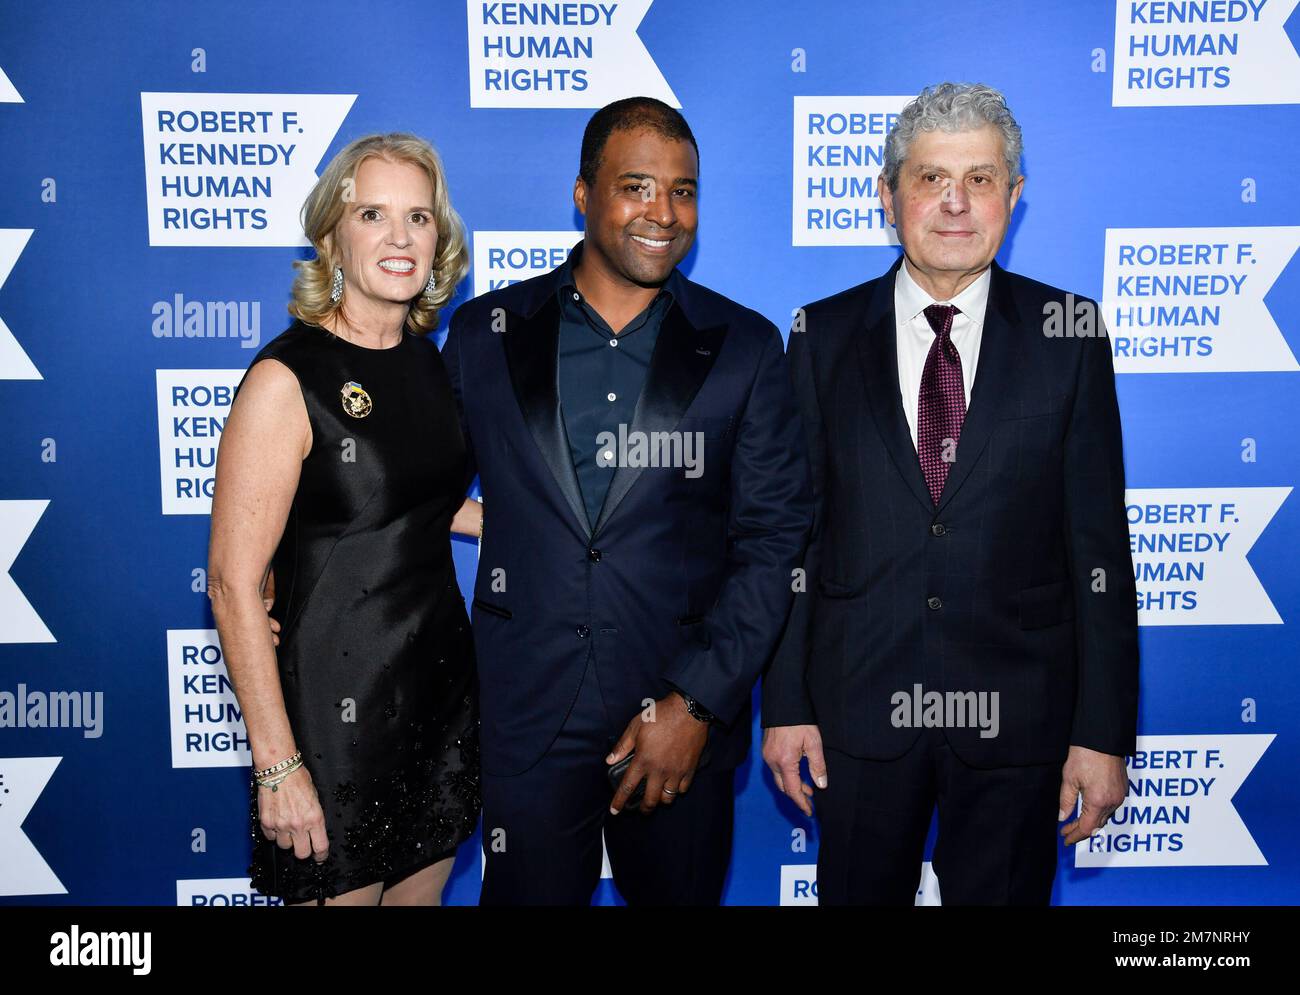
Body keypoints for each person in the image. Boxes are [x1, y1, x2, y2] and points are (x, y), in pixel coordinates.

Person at [762, 83, 1138, 905]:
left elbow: (1099, 549)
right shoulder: (817, 337)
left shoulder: (1069, 334)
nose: (956, 202)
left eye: (982, 177)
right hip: (857, 717)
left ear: (1015, 195)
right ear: (888, 195)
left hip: (1020, 721)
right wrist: (785, 702)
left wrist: (1102, 732)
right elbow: (795, 534)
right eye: (932, 178)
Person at [442, 97, 813, 904]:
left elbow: (773, 538)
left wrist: (698, 702)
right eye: (637, 186)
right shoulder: (485, 333)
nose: (663, 212)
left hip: (676, 720)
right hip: (524, 715)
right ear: (583, 193)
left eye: (683, 191)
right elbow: (410, 486)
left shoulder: (744, 347)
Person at [208, 133, 482, 906]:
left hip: (438, 700)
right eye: (373, 213)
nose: (400, 237)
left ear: (440, 238)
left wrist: (527, 526)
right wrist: (277, 763)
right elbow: (232, 583)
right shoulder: (285, 379)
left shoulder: (429, 361)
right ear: (333, 235)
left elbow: (411, 499)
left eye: (419, 218)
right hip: (333, 724)